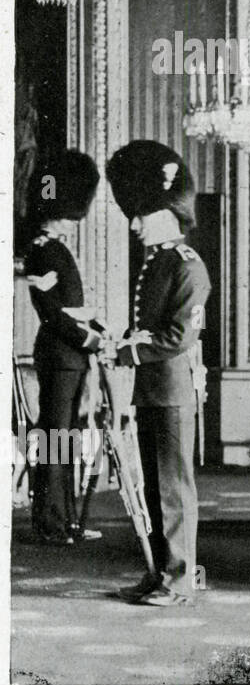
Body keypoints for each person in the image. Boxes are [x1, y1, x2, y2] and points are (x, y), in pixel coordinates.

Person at [106, 141, 211, 607]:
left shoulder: (189, 266)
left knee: (172, 488)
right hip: (152, 390)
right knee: (153, 486)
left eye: (141, 216)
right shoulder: (156, 262)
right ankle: (159, 570)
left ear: (167, 214)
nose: (134, 224)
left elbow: (178, 337)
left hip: (172, 391)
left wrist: (128, 352)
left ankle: (180, 578)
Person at [24, 150, 103, 546]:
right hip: (60, 354)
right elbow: (53, 313)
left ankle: (66, 520)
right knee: (56, 437)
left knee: (67, 438)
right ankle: (50, 523)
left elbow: (72, 308)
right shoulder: (43, 248)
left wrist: (96, 328)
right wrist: (91, 338)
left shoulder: (55, 247)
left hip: (70, 357)